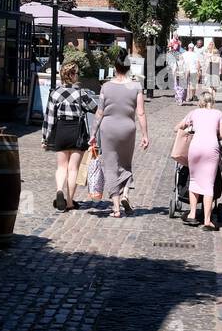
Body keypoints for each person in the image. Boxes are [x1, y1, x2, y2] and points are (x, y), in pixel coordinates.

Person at [90, 51, 150, 217]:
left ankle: (116, 208)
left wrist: (93, 133)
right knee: (126, 163)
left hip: (108, 129)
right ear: (128, 67)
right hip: (127, 128)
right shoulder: (136, 86)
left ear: (115, 67)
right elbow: (141, 113)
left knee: (111, 166)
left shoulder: (106, 87)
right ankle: (125, 194)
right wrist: (145, 135)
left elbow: (99, 112)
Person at [42, 61, 97, 211]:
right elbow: (95, 108)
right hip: (76, 132)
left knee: (61, 167)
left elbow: (49, 118)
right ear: (72, 75)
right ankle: (70, 202)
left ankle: (59, 190)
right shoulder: (80, 93)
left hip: (61, 130)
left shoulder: (55, 93)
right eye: (77, 73)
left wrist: (45, 138)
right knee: (73, 169)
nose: (78, 75)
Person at [177, 90, 222, 231]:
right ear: (212, 102)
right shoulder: (218, 114)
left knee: (194, 180)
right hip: (211, 149)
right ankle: (207, 220)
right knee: (208, 184)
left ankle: (192, 214)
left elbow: (180, 127)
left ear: (201, 102)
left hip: (196, 148)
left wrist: (184, 129)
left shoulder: (194, 112)